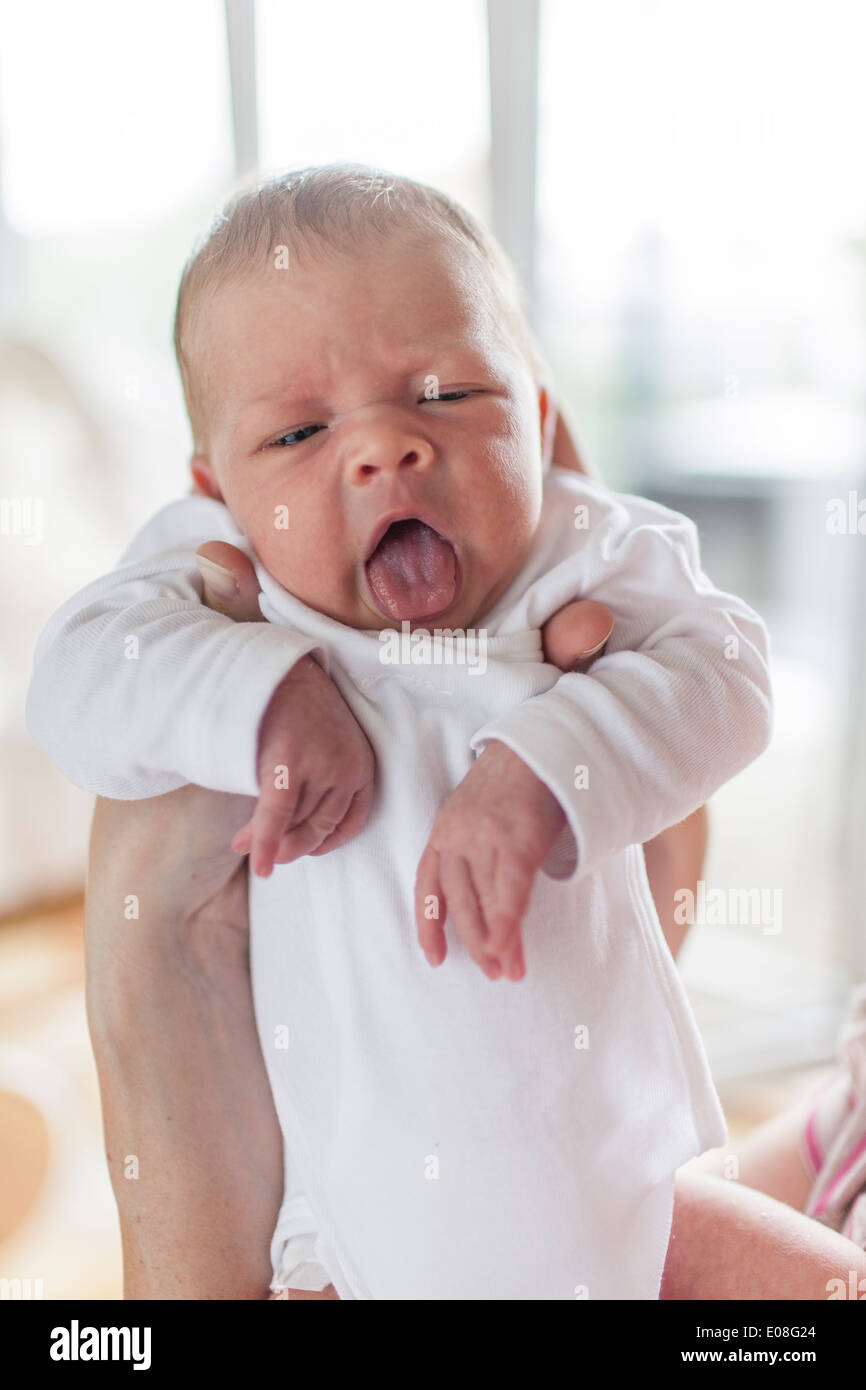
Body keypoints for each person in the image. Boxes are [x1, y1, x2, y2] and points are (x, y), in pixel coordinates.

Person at [29, 164, 773, 1299]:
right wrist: (261, 693)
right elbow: (74, 682)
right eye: (298, 434)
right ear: (215, 491)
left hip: (637, 1216)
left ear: (533, 413)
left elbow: (730, 669)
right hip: (357, 1250)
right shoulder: (235, 589)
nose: (383, 447)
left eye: (446, 395)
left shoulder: (582, 551)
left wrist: (553, 758)